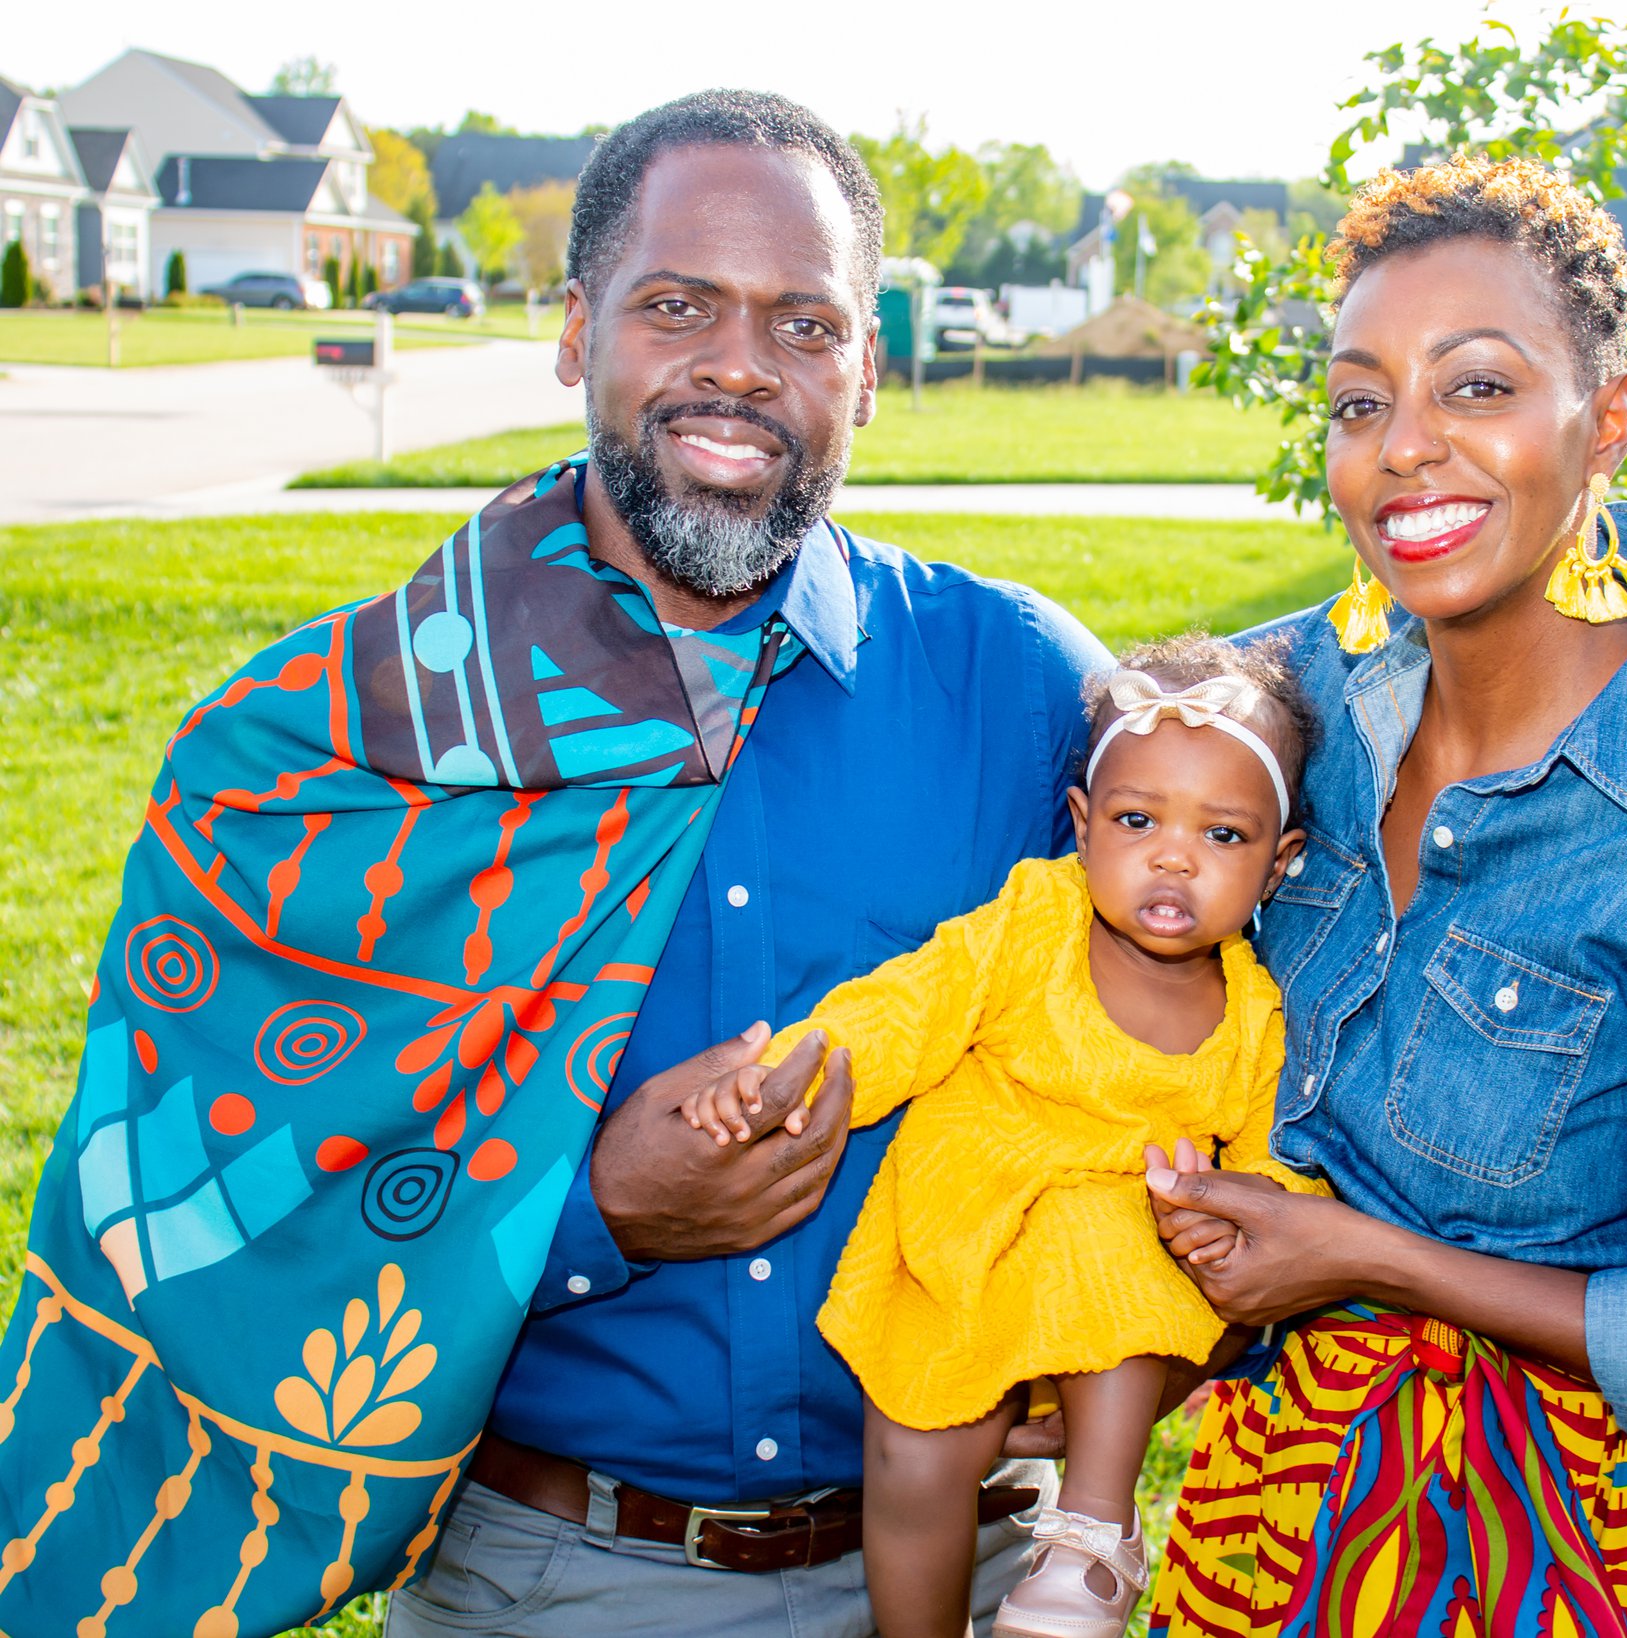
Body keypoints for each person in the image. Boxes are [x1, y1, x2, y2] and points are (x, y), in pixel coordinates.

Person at [0, 92, 1109, 1638]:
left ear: (871, 366)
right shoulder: (329, 753)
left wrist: (1147, 1342)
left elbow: (1199, 1040)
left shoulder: (1023, 688)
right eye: (676, 306)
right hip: (558, 1574)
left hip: (972, 1566)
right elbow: (212, 1209)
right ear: (577, 329)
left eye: (803, 322)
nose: (739, 363)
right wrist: (592, 1215)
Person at [1140, 156, 1627, 1637]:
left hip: (1613, 1553)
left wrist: (1372, 1260)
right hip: (1281, 1526)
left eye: (1479, 388)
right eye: (1361, 402)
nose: (1404, 451)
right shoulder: (1276, 723)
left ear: (1606, 419)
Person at [684, 636, 1328, 1638]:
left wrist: (1250, 1223)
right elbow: (913, 1005)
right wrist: (799, 1071)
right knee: (915, 1454)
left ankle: (1091, 1543)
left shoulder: (1252, 1015)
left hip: (1116, 1277)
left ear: (1278, 862)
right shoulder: (1033, 923)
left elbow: (1272, 1160)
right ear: (1080, 826)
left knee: (1104, 1239)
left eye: (1223, 838)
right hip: (964, 1244)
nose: (1171, 856)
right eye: (1136, 819)